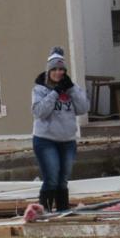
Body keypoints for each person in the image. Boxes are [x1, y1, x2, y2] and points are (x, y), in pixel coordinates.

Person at [31, 47, 89, 212]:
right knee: (51, 179)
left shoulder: (72, 88)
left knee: (63, 180)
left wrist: (72, 89)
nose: (58, 72)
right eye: (54, 69)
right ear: (49, 71)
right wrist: (55, 93)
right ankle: (45, 211)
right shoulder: (39, 89)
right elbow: (39, 112)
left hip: (68, 141)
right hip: (46, 140)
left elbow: (83, 108)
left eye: (61, 69)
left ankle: (63, 211)